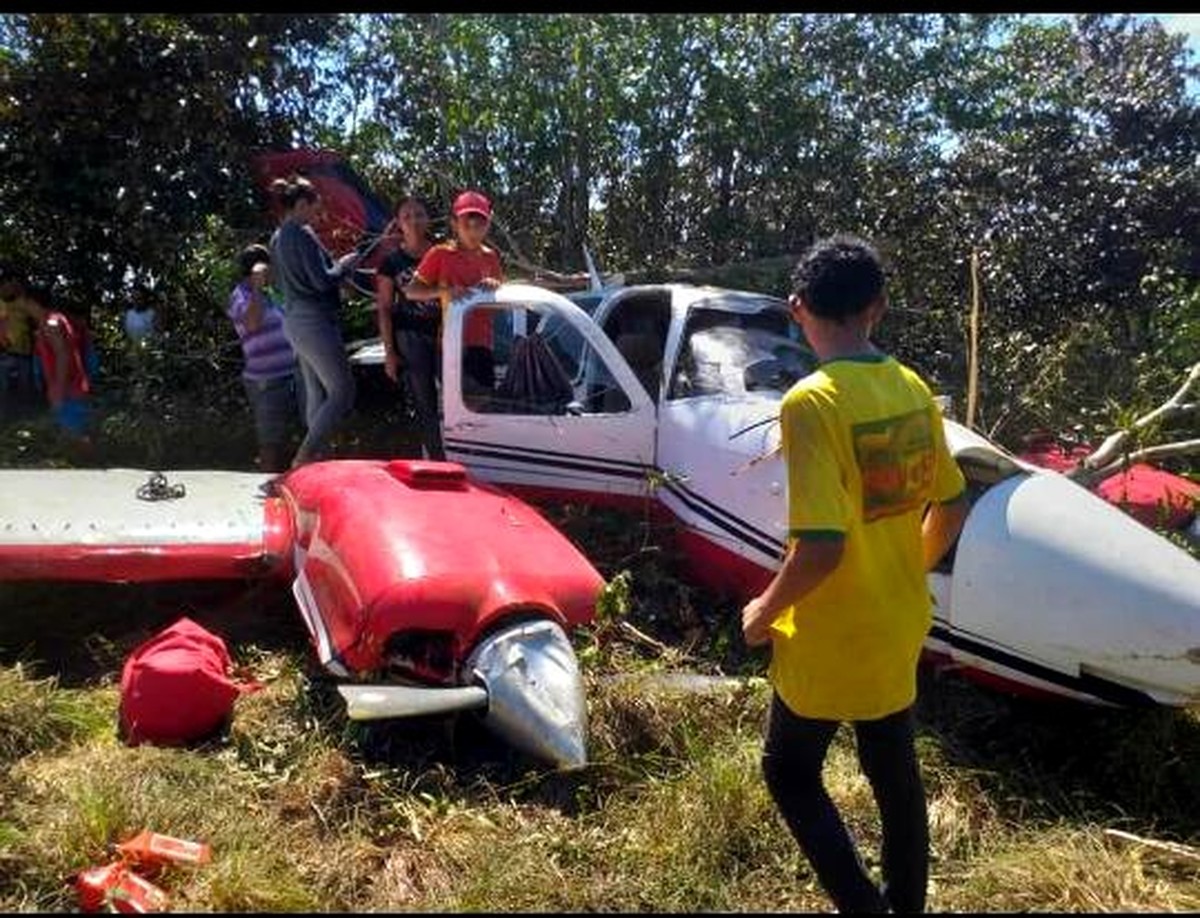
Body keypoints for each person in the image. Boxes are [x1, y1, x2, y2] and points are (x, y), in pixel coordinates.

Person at [741, 234, 969, 914]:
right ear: (879, 308)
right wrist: (904, 572)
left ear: (796, 306)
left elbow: (820, 547)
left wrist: (762, 611)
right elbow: (953, 504)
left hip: (831, 630)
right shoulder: (911, 388)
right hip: (899, 619)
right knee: (895, 777)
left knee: (788, 770)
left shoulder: (811, 403)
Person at [268, 174, 362, 468]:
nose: (316, 212)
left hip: (293, 321)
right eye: (313, 205)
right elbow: (322, 281)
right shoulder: (302, 232)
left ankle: (315, 460)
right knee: (342, 391)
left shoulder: (277, 236)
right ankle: (306, 455)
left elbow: (285, 284)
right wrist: (345, 266)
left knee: (316, 391)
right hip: (314, 321)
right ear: (300, 204)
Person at [404, 190, 504, 392]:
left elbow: (499, 304)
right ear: (454, 224)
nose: (473, 231)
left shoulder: (490, 257)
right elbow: (411, 291)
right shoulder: (440, 254)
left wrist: (495, 287)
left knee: (484, 408)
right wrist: (445, 291)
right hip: (451, 345)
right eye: (467, 224)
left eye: (480, 225)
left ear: (488, 225)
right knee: (460, 412)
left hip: (483, 345)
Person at [374, 196, 443, 460]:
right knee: (424, 400)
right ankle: (437, 462)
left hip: (445, 332)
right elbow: (384, 308)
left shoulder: (443, 252)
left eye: (419, 214)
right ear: (398, 223)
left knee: (456, 395)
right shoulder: (391, 263)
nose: (413, 221)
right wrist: (390, 353)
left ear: (427, 219)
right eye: (407, 216)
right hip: (411, 336)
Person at [228, 244, 304, 473]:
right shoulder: (240, 295)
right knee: (270, 442)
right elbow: (251, 324)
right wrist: (257, 288)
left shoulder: (274, 293)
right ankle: (267, 484)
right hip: (266, 382)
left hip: (292, 374)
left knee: (301, 434)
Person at [22, 284, 92, 443]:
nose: (24, 307)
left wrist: (58, 389)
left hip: (69, 389)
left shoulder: (50, 323)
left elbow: (63, 355)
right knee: (71, 434)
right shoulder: (55, 318)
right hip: (71, 386)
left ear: (32, 302)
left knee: (74, 436)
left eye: (25, 302)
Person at [0, 268, 38, 411]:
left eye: (17, 285)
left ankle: (23, 418)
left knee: (25, 388)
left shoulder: (24, 303)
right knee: (4, 389)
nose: (14, 287)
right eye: (11, 284)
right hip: (4, 354)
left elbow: (35, 325)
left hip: (24, 353)